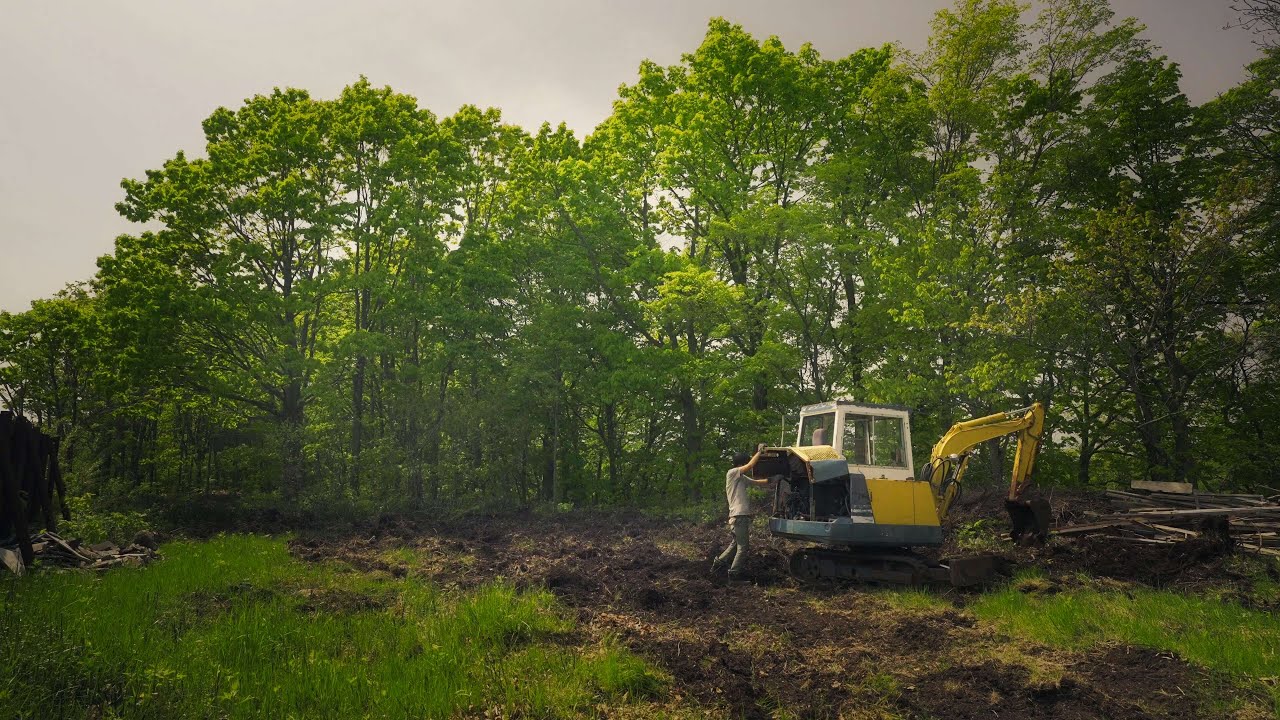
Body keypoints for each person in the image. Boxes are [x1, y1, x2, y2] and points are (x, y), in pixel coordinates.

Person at [711, 444, 772, 579]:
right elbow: (750, 466)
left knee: (735, 544)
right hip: (739, 515)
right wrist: (759, 453)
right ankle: (734, 575)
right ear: (740, 463)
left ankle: (718, 564)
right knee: (743, 547)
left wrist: (773, 480)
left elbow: (757, 482)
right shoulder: (732, 473)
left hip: (738, 516)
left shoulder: (740, 477)